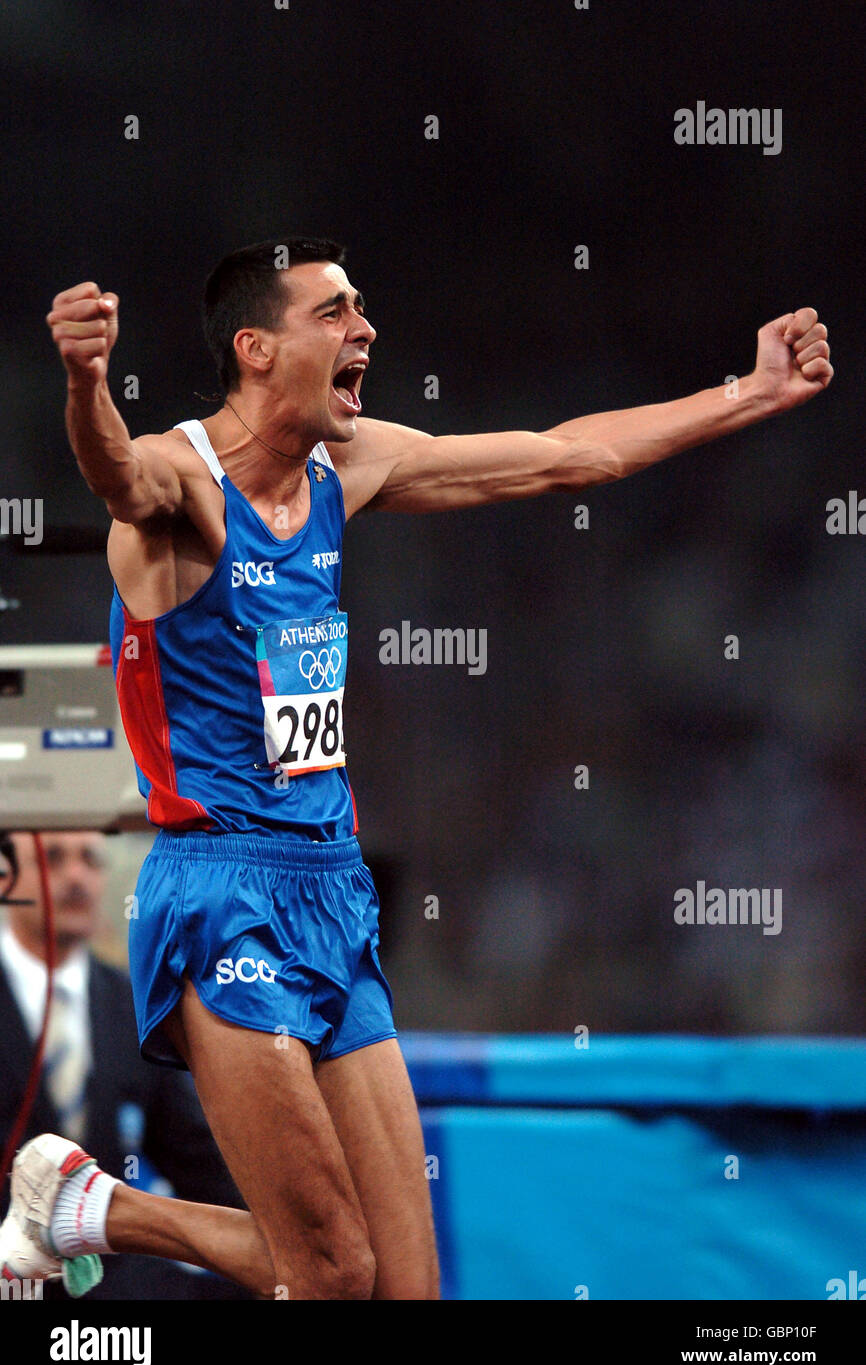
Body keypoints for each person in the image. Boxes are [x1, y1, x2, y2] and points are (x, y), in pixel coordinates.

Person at [1, 237, 832, 1301]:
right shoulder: (184, 491)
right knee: (332, 1273)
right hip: (220, 891)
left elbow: (567, 455)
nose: (367, 329)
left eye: (364, 309)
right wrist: (83, 381)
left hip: (334, 889)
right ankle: (100, 1208)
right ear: (256, 347)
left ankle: (96, 1209)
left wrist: (751, 392)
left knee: (406, 1289)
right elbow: (114, 469)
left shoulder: (348, 466)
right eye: (336, 311)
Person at [0, 830, 251, 1299]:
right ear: (7, 877)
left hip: (114, 1287)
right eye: (53, 858)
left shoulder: (135, 1007)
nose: (76, 877)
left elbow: (197, 1160)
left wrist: (290, 1239)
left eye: (90, 860)